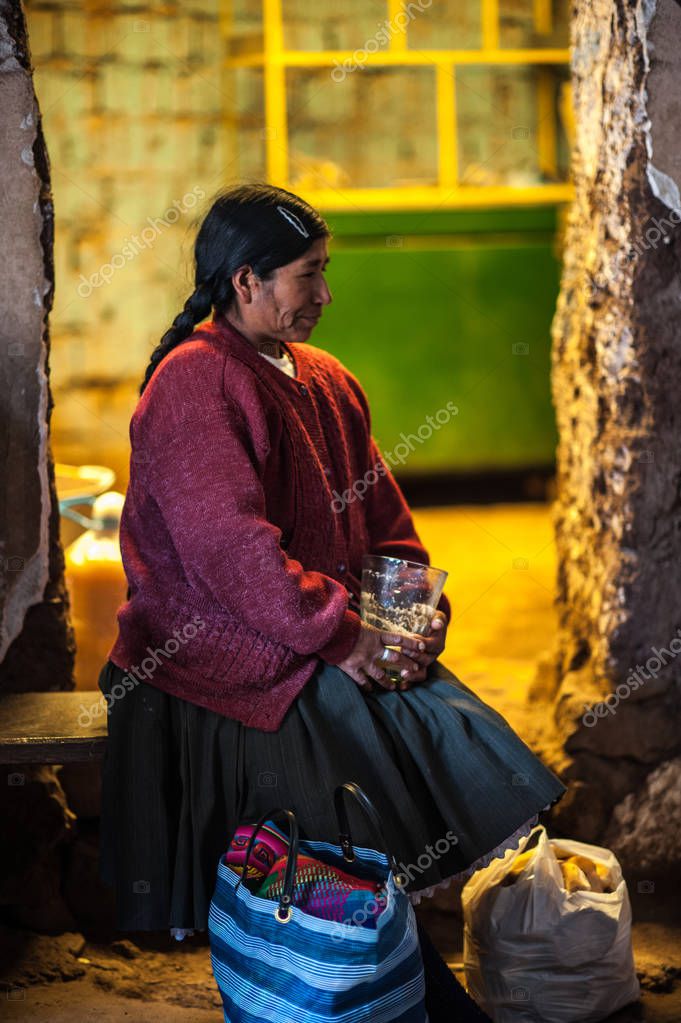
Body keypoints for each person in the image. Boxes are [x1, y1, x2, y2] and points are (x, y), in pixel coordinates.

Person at [97, 182, 566, 1021]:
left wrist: (408, 612)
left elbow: (385, 518)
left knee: (440, 715)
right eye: (306, 275)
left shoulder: (327, 380)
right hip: (216, 664)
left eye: (325, 271)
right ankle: (374, 972)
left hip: (305, 632)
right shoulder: (194, 385)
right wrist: (342, 637)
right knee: (335, 765)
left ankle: (387, 959)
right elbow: (232, 553)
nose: (324, 294)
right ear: (245, 282)